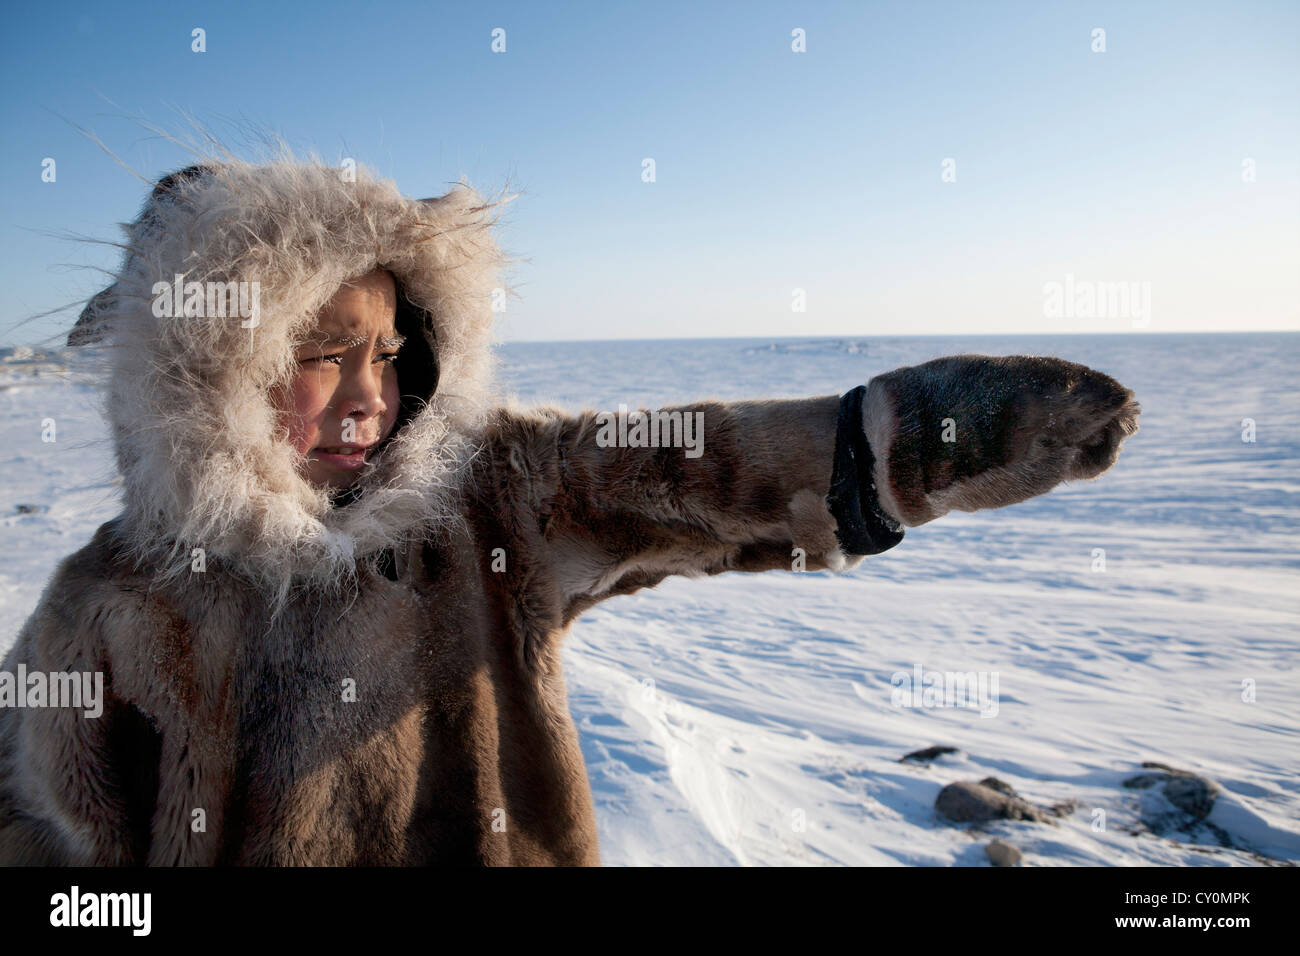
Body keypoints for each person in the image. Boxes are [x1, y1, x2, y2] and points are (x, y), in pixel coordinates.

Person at [0, 155, 1139, 865]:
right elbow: (45, 840)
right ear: (199, 376)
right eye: (321, 352)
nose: (369, 396)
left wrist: (893, 441)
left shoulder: (489, 497)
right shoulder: (104, 607)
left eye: (389, 354)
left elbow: (673, 467)